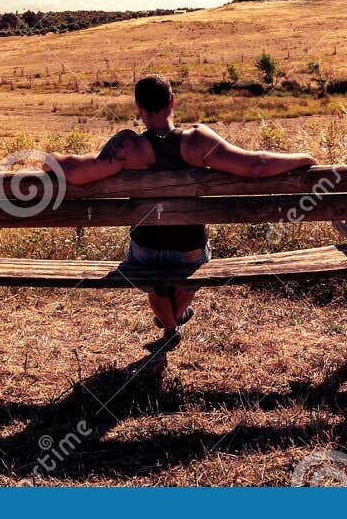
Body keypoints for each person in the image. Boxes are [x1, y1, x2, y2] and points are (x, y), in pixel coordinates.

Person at [49, 74, 315, 347]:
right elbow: (255, 165)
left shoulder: (129, 146)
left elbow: (77, 171)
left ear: (139, 109)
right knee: (188, 272)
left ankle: (170, 326)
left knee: (154, 277)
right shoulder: (197, 141)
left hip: (146, 247)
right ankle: (177, 315)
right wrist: (304, 158)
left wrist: (48, 160)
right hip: (189, 247)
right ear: (172, 102)